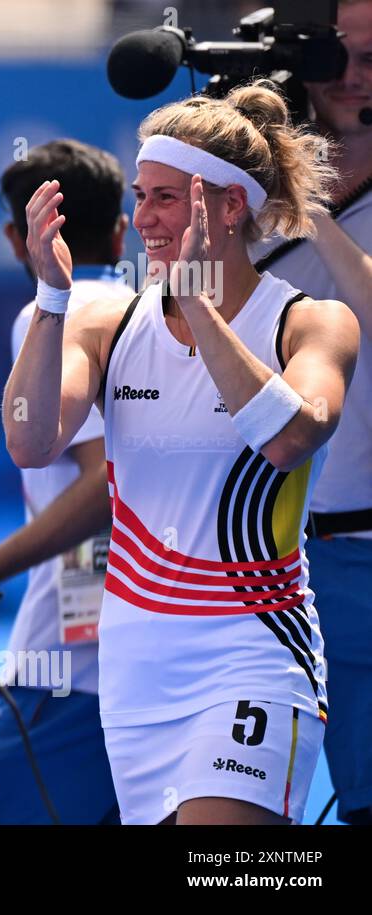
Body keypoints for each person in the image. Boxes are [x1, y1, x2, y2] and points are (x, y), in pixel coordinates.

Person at [6, 79, 360, 825]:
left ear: (231, 207)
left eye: (168, 197)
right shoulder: (108, 325)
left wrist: (195, 298)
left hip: (254, 653)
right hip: (136, 671)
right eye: (141, 196)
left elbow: (293, 435)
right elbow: (32, 440)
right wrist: (50, 297)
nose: (144, 219)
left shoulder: (313, 322)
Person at [0, 140, 128, 825]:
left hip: (77, 670)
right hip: (143, 661)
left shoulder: (55, 314)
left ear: (20, 239)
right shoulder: (154, 313)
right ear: (123, 229)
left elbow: (107, 484)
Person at [251, 0, 372, 825]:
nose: (357, 76)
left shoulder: (300, 213)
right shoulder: (241, 198)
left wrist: (315, 212)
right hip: (291, 553)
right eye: (337, 56)